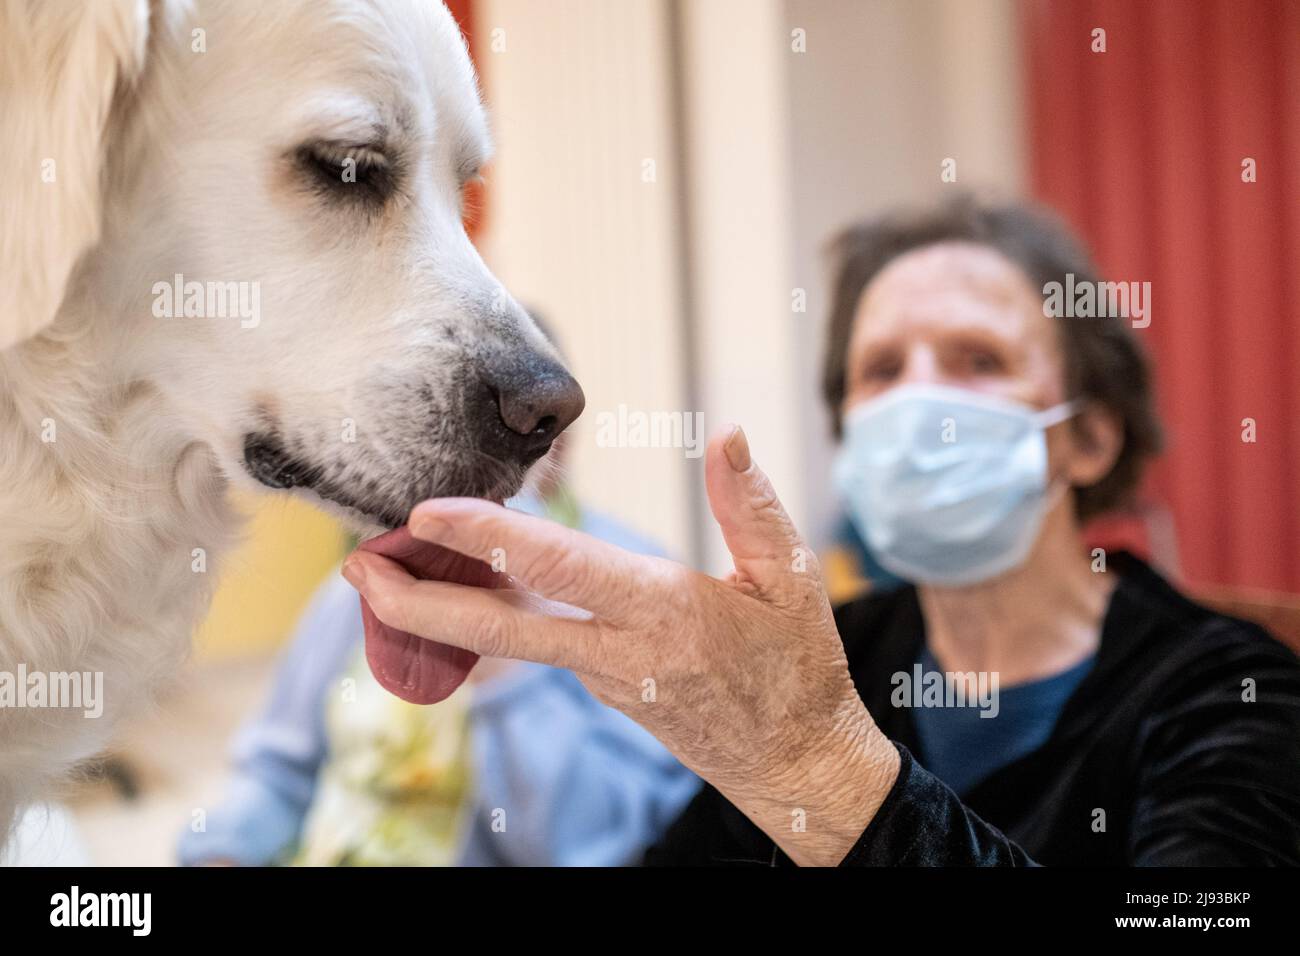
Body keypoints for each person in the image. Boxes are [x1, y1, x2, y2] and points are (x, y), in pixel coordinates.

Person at [341, 199, 1300, 866]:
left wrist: (817, 766)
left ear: (1087, 437)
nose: (923, 398)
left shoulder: (1233, 692)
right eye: (882, 370)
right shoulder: (836, 653)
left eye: (977, 359)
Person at [179, 436, 701, 867]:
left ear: (556, 444)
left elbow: (591, 846)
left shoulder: (632, 580)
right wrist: (222, 849)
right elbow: (279, 768)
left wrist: (502, 657)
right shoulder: (371, 573)